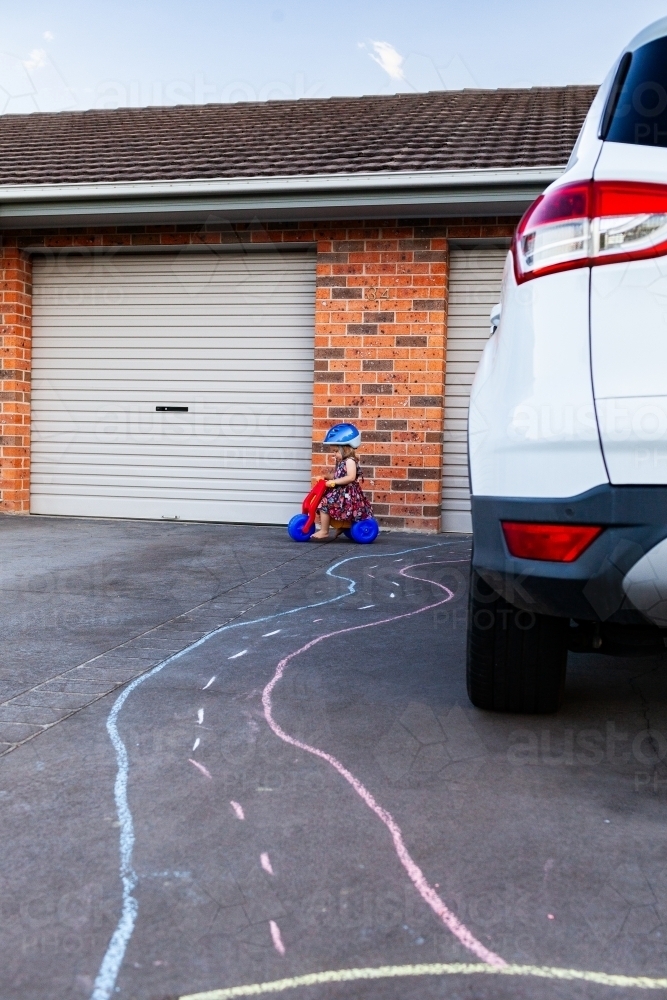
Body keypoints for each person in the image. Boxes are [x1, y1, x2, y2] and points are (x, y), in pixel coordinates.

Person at [311, 423, 373, 541]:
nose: (334, 455)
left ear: (345, 448)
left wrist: (334, 482)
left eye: (336, 451)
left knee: (325, 504)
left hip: (347, 494)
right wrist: (326, 477)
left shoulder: (350, 461)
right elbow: (337, 475)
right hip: (340, 492)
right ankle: (344, 526)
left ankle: (324, 531)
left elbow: (350, 477)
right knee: (327, 502)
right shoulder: (342, 461)